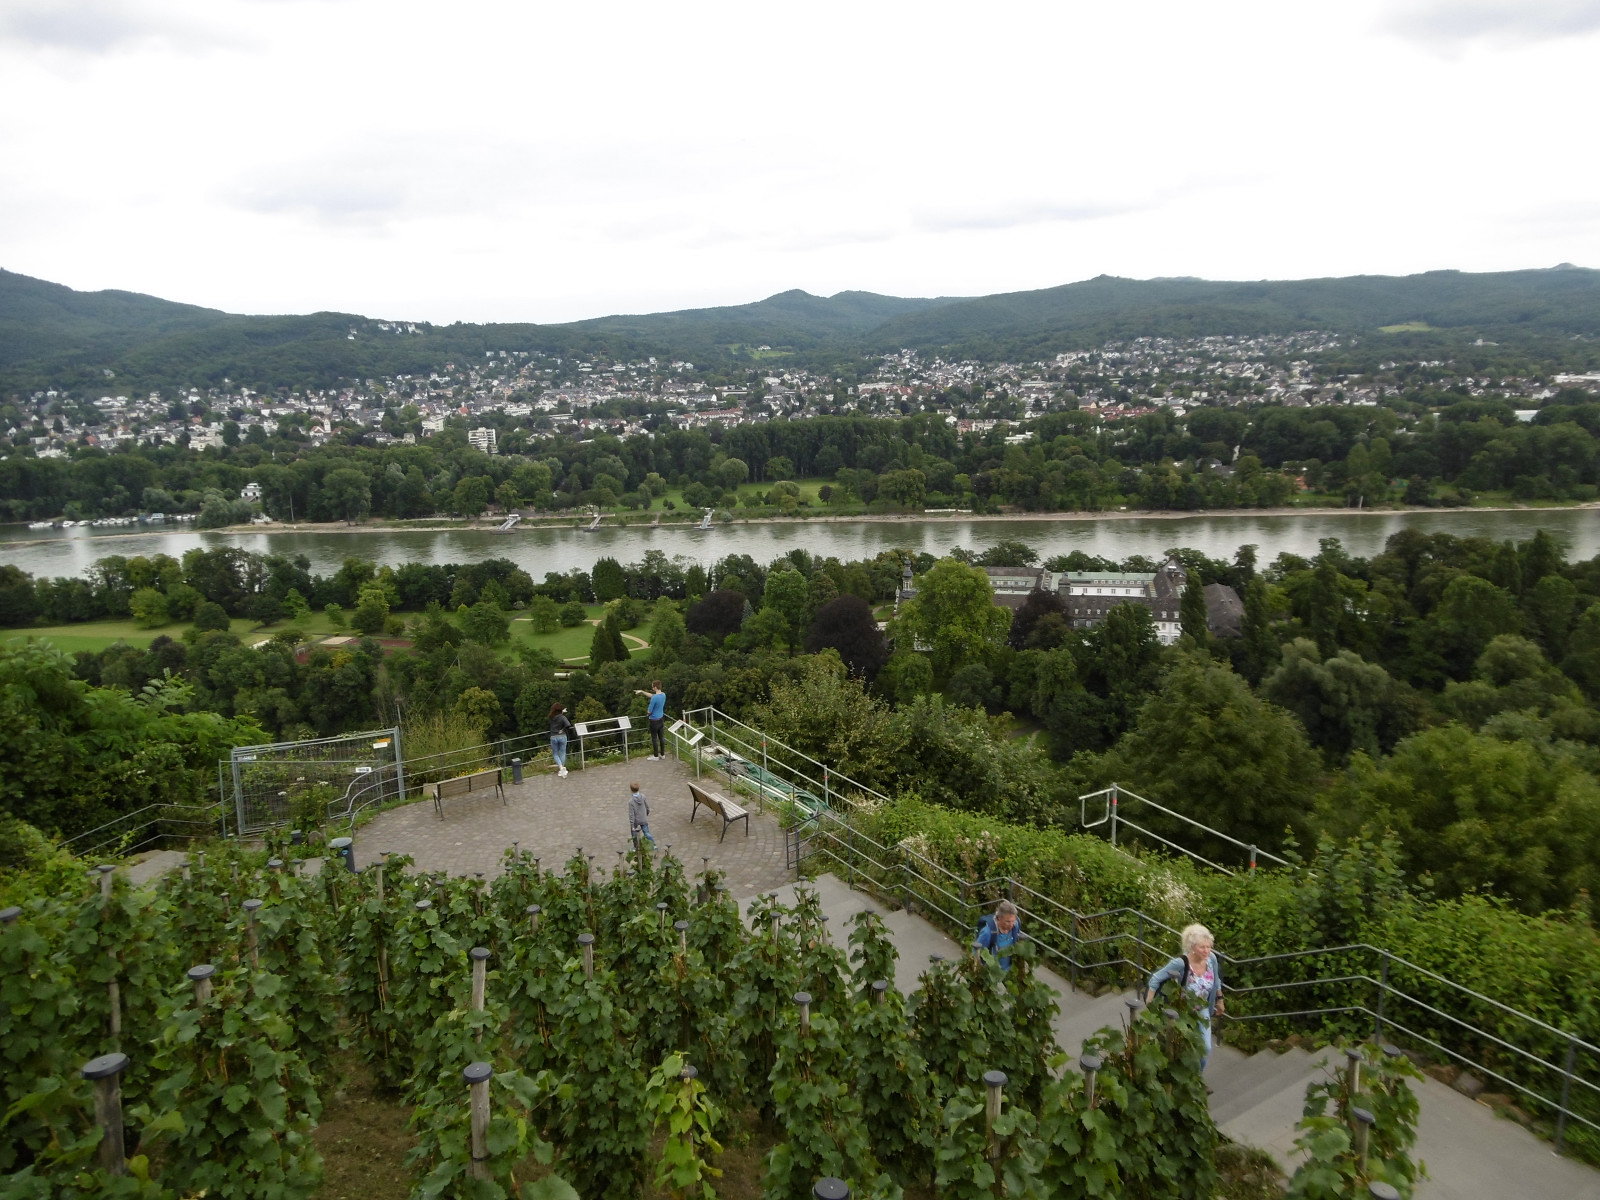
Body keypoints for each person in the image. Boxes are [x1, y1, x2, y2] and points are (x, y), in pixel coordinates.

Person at [1145, 923, 1225, 1069]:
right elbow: (1155, 979)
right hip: (1181, 1009)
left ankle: (1198, 1080)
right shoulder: (1181, 963)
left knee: (1206, 1048)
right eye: (1202, 947)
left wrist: (1220, 999)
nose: (1206, 950)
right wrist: (1149, 1004)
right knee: (1179, 1045)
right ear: (1192, 947)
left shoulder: (1212, 959)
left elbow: (1216, 980)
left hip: (1202, 1008)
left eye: (1208, 946)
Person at [974, 899, 1022, 971]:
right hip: (992, 973)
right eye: (1008, 921)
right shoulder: (988, 932)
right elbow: (977, 953)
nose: (1011, 924)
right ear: (999, 918)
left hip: (1009, 971)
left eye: (1013, 921)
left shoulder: (1015, 925)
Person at [549, 702, 575, 778]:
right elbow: (568, 725)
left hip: (553, 736)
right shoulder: (562, 717)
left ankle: (561, 768)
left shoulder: (551, 717)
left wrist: (561, 712)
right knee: (562, 753)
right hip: (562, 736)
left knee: (555, 754)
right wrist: (562, 729)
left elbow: (556, 716)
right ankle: (563, 770)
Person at [628, 781, 656, 849]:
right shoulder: (643, 797)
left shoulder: (631, 801)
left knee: (634, 833)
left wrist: (632, 825)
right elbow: (647, 807)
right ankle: (654, 845)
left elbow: (631, 814)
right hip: (643, 819)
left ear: (631, 790)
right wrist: (646, 814)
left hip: (636, 821)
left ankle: (636, 847)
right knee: (647, 833)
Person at [646, 681, 667, 759]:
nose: (652, 688)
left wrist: (647, 714)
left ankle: (655, 756)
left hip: (654, 720)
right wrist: (642, 692)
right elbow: (653, 695)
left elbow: (649, 711)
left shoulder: (654, 698)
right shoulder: (663, 695)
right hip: (661, 719)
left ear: (655, 687)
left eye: (652, 687)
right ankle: (662, 754)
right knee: (661, 737)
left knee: (654, 738)